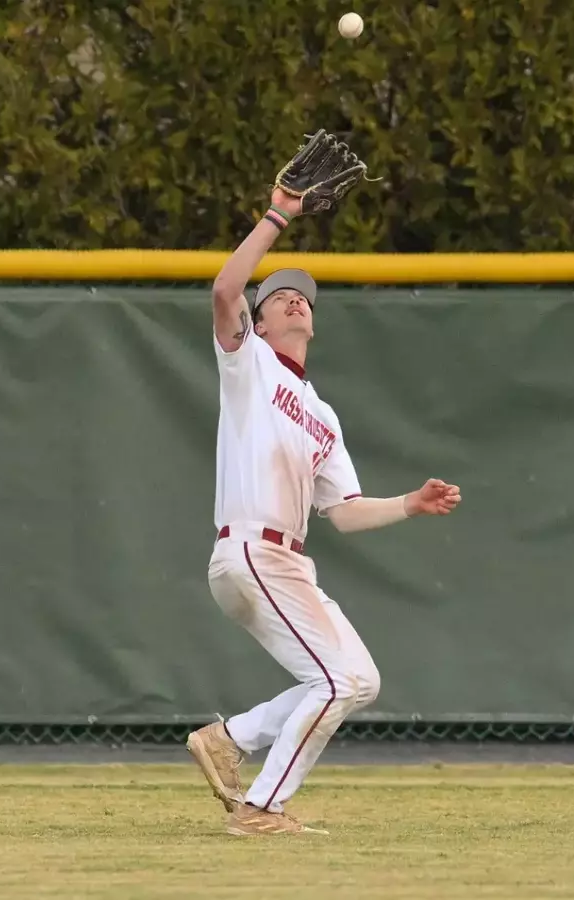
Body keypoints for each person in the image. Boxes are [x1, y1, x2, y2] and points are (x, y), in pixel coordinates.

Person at [184, 184, 463, 837]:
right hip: (250, 550)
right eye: (280, 293)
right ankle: (261, 809)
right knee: (335, 682)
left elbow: (345, 511)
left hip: (286, 563)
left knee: (359, 679)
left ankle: (231, 739)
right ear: (261, 316)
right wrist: (278, 216)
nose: (294, 298)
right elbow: (225, 291)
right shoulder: (247, 361)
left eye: (304, 296)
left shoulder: (322, 416)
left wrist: (410, 505)